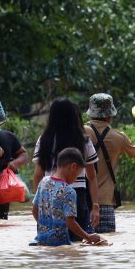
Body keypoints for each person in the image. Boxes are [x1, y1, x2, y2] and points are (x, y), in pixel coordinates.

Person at [84, 92, 135, 234]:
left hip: (79, 199)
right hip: (104, 203)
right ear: (110, 115)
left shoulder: (81, 132)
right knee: (105, 247)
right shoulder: (118, 137)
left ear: (90, 112)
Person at [32, 98, 99, 233]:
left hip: (49, 193)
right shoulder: (83, 140)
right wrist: (96, 206)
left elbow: (38, 175)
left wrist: (39, 200)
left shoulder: (44, 140)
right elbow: (92, 176)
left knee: (52, 237)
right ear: (73, 116)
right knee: (79, 240)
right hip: (77, 194)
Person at [31, 147, 108, 246]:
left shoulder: (44, 182)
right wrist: (87, 237)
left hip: (41, 239)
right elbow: (70, 222)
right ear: (73, 167)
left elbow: (34, 211)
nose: (76, 179)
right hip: (60, 242)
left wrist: (46, 227)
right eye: (77, 175)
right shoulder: (69, 191)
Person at [0, 125, 28, 220]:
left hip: (2, 189)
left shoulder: (7, 136)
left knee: (0, 220)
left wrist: (15, 163)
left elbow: (23, 154)